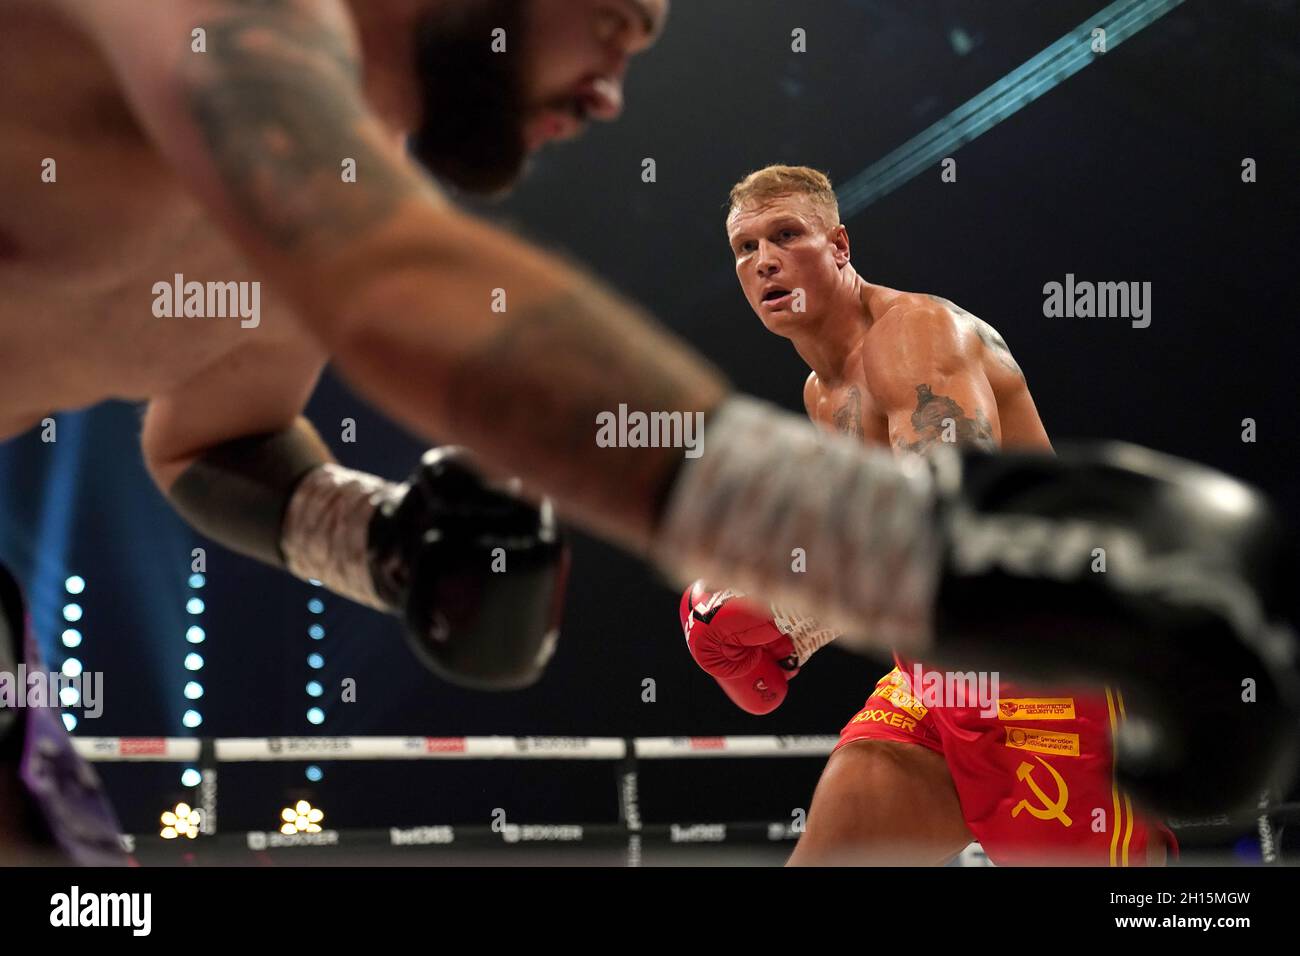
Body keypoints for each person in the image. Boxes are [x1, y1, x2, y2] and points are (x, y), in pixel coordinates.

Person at [680, 165, 1294, 864]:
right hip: (932, 681)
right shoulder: (821, 392)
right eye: (745, 247)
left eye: (786, 235)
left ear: (840, 246)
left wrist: (788, 612)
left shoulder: (916, 336)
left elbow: (947, 528)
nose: (763, 260)